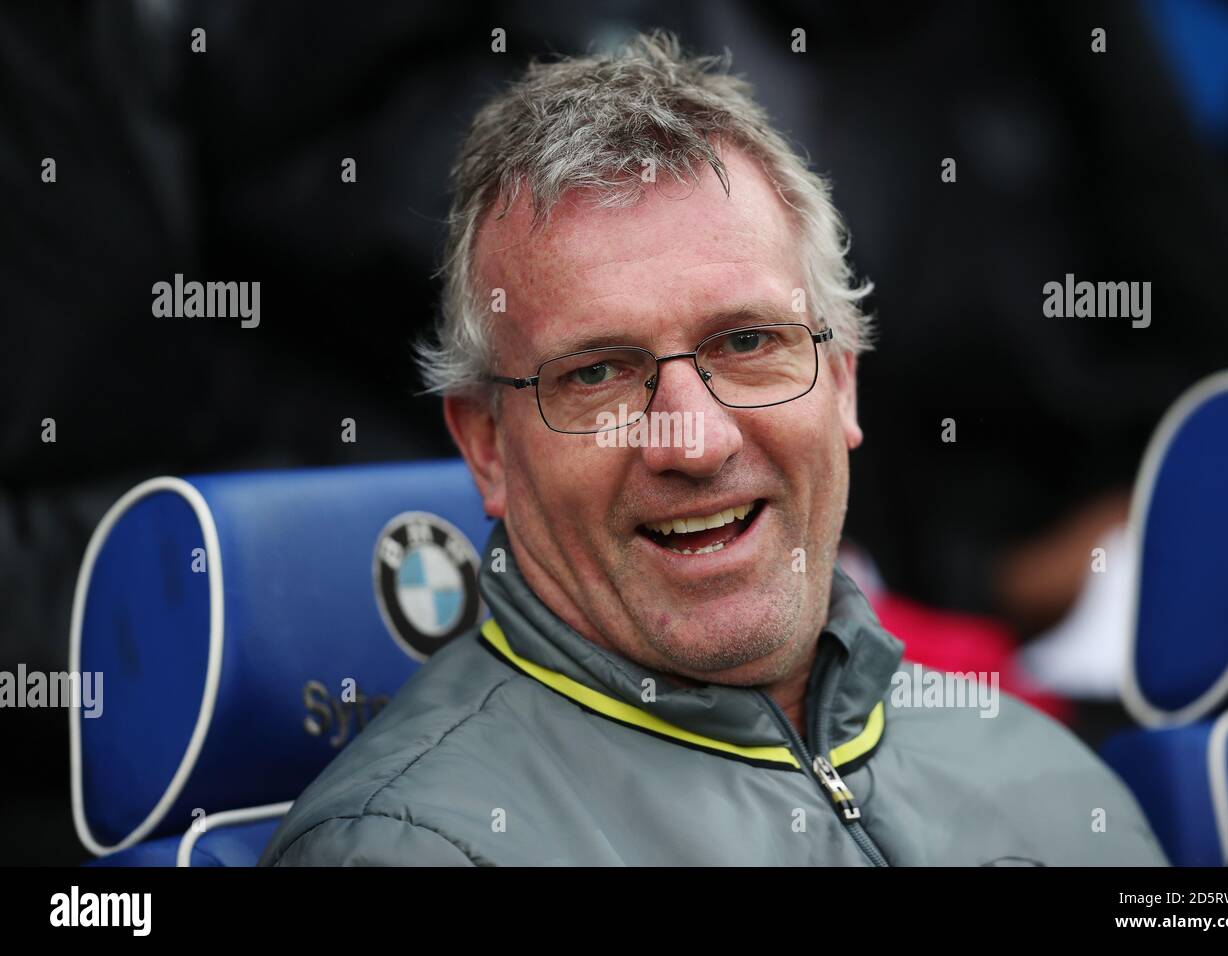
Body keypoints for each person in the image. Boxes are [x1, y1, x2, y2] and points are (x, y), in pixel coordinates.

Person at [260, 31, 1164, 866]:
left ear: (843, 382)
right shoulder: (416, 852)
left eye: (745, 343)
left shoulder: (1055, 780)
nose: (692, 440)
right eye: (599, 373)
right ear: (487, 446)